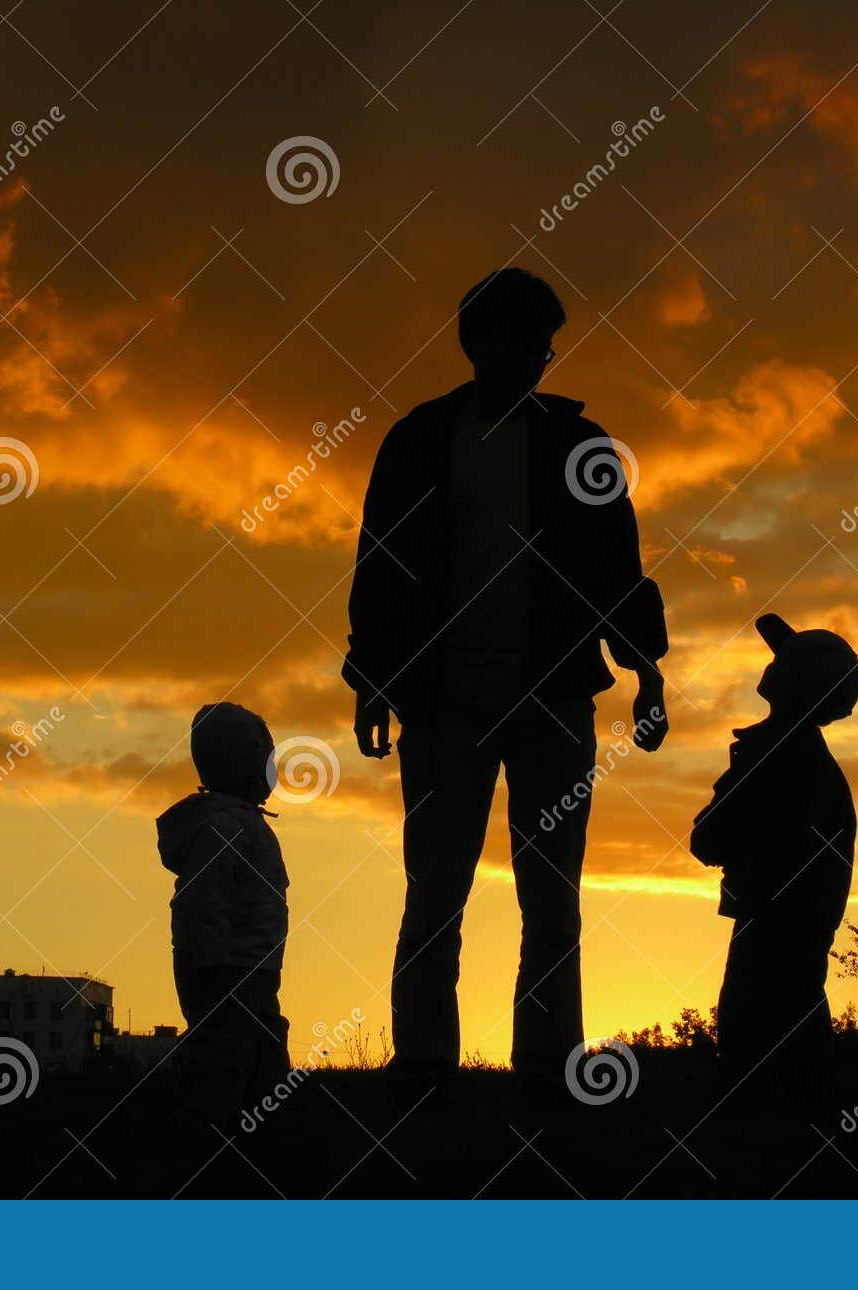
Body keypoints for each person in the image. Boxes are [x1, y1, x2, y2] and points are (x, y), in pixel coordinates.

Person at [342, 267, 669, 1087]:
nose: (544, 356)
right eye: (530, 341)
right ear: (482, 342)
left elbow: (615, 566)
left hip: (552, 697)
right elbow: (380, 568)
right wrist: (372, 678)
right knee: (435, 894)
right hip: (443, 700)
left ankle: (548, 1068)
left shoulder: (575, 444)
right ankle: (422, 1067)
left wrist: (646, 670)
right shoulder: (419, 439)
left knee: (551, 901)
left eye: (548, 344)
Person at [690, 613, 858, 1109]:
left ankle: (762, 1139)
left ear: (789, 681)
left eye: (780, 660)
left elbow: (710, 838)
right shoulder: (802, 759)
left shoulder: (774, 757)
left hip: (772, 916)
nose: (770, 664)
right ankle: (794, 1132)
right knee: (793, 1019)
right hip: (791, 917)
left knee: (752, 1029)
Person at [157, 701, 290, 1128]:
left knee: (262, 1055)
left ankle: (256, 1131)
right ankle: (206, 1134)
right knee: (220, 1059)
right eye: (266, 758)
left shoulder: (240, 824)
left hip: (252, 968)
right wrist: (212, 963)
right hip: (227, 970)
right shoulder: (227, 829)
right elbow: (202, 902)